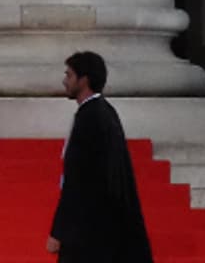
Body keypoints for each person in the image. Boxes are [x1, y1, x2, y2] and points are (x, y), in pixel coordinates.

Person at [48, 53, 148, 263]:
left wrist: (59, 230)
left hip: (90, 230)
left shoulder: (91, 117)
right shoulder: (102, 112)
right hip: (101, 228)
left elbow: (78, 180)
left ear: (83, 80)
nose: (65, 81)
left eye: (69, 75)